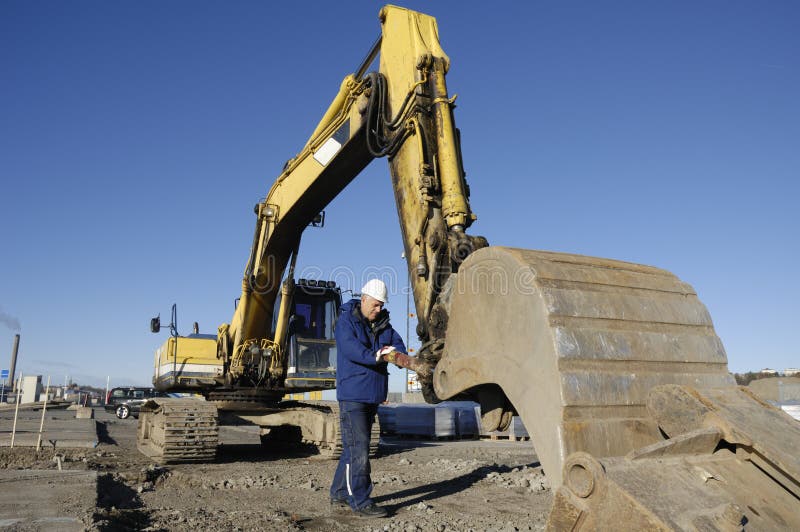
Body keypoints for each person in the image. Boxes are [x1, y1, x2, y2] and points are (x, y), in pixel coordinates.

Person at [329, 278, 406, 518]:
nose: (378, 309)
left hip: (371, 396)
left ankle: (340, 492)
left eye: (381, 305)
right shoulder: (345, 323)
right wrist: (378, 356)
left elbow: (399, 346)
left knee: (353, 448)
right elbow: (352, 351)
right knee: (359, 450)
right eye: (375, 305)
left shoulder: (384, 325)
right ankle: (361, 500)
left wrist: (395, 354)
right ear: (363, 300)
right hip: (352, 396)